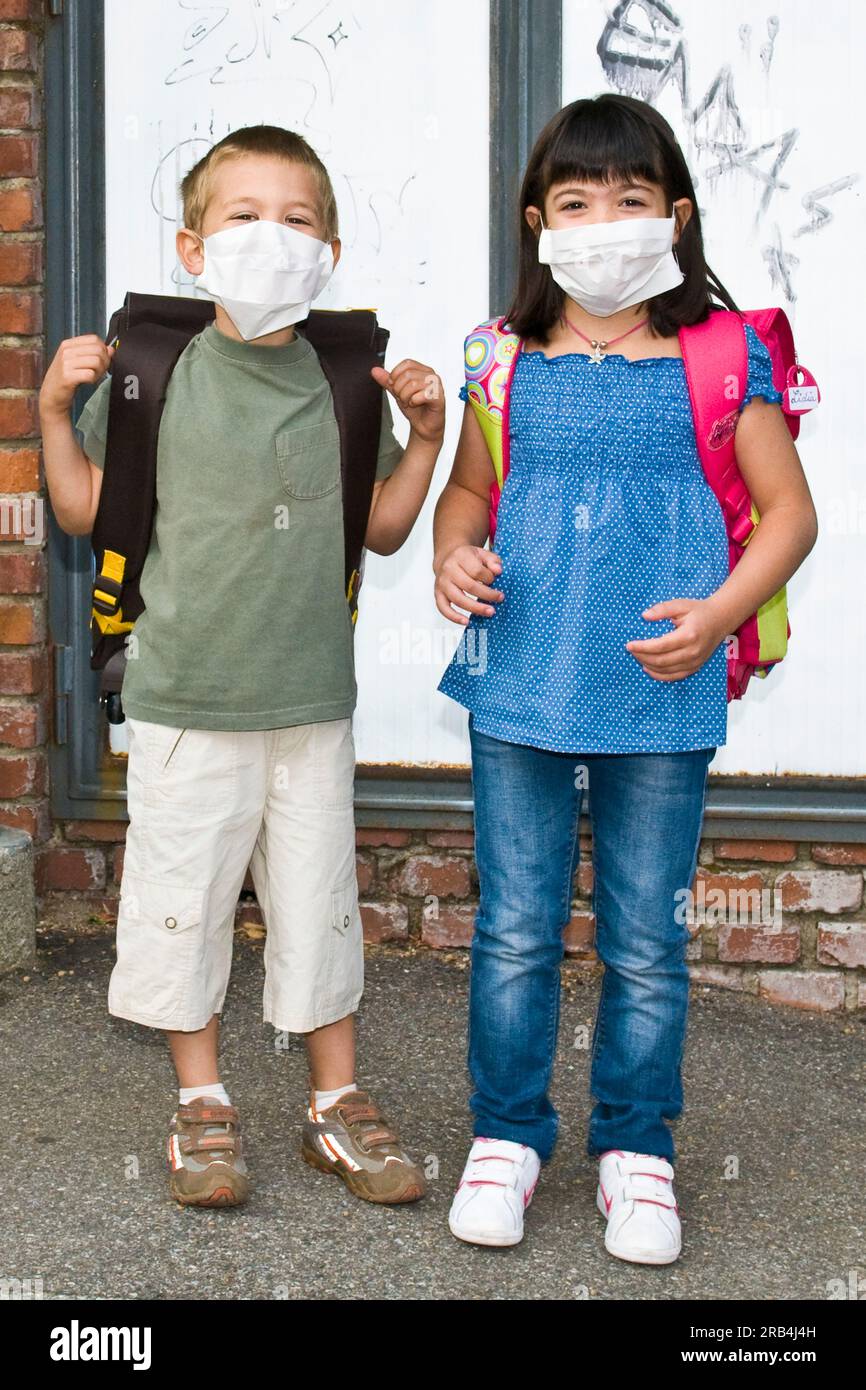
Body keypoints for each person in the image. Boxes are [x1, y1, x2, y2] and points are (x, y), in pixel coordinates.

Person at [433, 95, 818, 1262]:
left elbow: (788, 517)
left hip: (661, 686)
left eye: (630, 201)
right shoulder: (499, 356)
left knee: (645, 934)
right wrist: (453, 554)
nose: (603, 222)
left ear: (673, 215)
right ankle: (505, 1137)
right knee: (513, 925)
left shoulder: (719, 353)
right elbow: (464, 494)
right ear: (537, 222)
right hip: (519, 681)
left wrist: (714, 618)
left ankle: (634, 1150)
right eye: (576, 202)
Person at [39, 124, 445, 1209]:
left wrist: (430, 431)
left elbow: (388, 531)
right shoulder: (150, 371)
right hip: (182, 700)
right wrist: (46, 409)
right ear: (191, 246)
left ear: (332, 251)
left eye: (298, 219)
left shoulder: (347, 382)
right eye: (243, 216)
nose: (272, 237)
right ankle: (202, 1104)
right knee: (183, 904)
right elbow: (82, 509)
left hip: (308, 701)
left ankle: (335, 1102)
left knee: (317, 905)